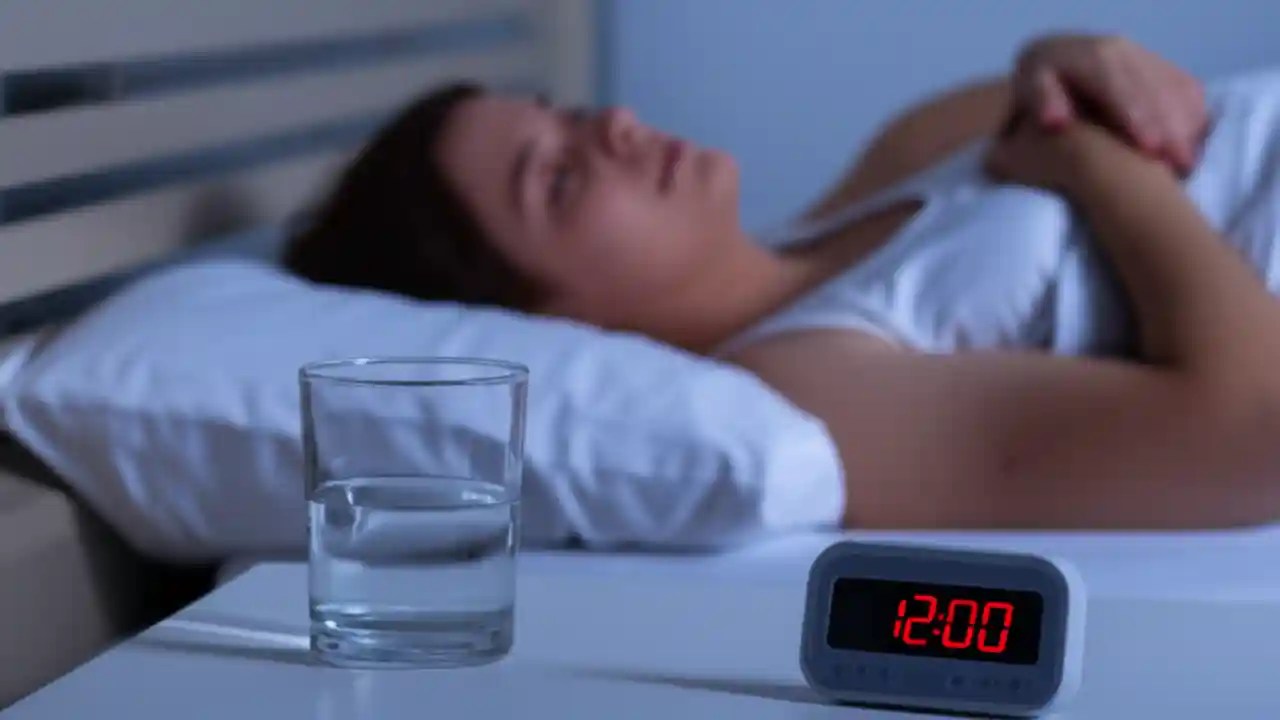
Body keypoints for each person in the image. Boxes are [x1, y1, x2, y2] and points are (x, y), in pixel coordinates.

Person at [285, 33, 1280, 531]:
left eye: (567, 116)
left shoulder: (900, 148)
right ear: (549, 321)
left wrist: (1066, 51)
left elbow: (1087, 80)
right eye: (559, 178)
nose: (617, 126)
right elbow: (1250, 425)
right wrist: (1093, 166)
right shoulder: (810, 391)